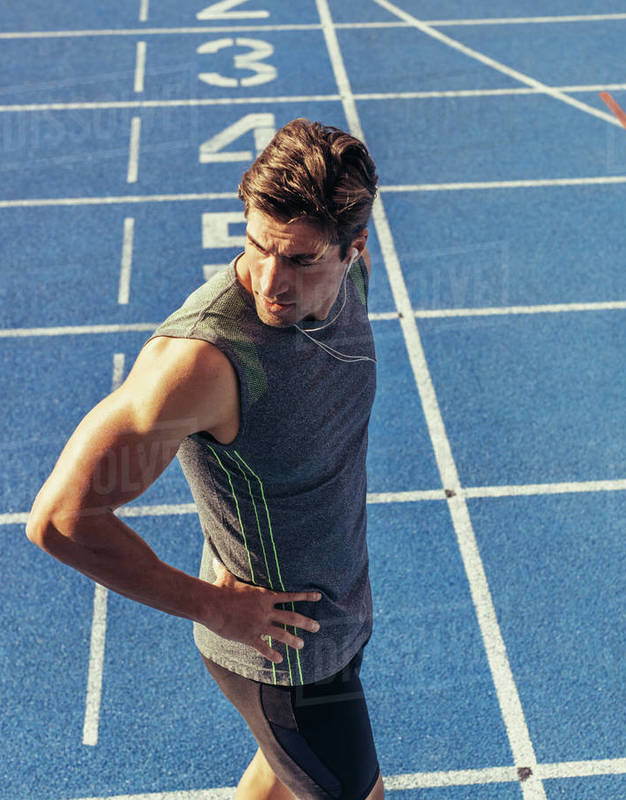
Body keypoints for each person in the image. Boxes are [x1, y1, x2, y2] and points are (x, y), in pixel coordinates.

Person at [26, 118, 385, 800]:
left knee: (280, 781)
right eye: (255, 246)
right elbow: (61, 519)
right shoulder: (202, 364)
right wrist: (214, 609)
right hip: (284, 658)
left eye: (300, 260)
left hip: (339, 614)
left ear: (353, 249)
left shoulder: (355, 281)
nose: (270, 282)